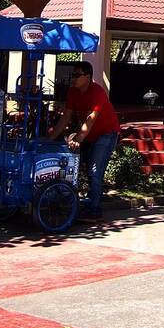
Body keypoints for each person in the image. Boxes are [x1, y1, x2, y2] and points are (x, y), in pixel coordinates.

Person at [49, 60, 120, 220]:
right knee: (82, 168)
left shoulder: (97, 92)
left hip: (106, 134)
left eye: (77, 75)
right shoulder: (73, 92)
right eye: (72, 75)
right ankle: (87, 202)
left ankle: (94, 209)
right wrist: (50, 139)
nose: (73, 78)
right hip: (90, 135)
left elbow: (90, 119)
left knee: (95, 171)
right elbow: (66, 117)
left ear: (87, 77)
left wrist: (78, 139)